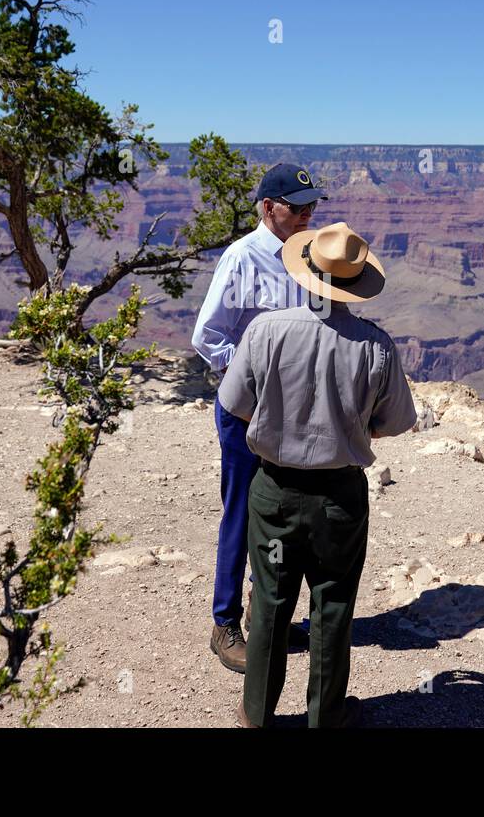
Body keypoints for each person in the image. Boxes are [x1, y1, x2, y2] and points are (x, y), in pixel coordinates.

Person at [217, 222, 417, 727]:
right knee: (332, 606)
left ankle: (257, 712)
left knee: (269, 600)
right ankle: (324, 717)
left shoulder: (265, 331)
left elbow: (234, 403)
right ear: (354, 285)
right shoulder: (376, 346)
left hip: (274, 493)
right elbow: (395, 422)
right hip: (338, 500)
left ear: (307, 272)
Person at [191, 163, 329, 673]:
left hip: (294, 410)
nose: (307, 213)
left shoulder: (308, 256)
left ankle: (263, 612)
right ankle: (223, 622)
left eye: (311, 205)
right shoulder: (242, 259)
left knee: (284, 512)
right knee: (242, 511)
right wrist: (252, 374)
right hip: (246, 410)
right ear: (268, 207)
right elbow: (207, 336)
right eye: (298, 206)